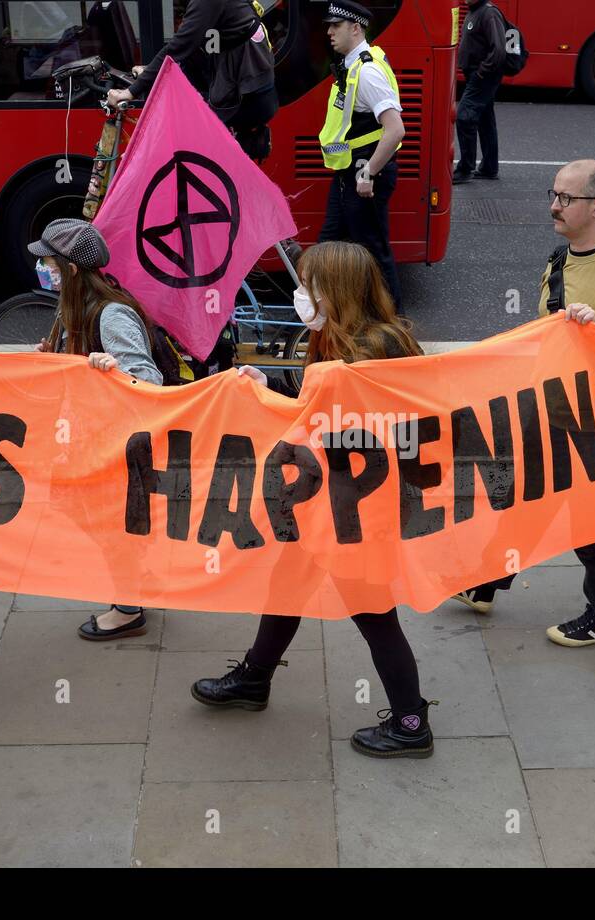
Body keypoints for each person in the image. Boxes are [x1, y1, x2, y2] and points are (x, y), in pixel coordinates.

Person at [190, 241, 438, 758]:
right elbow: (315, 417)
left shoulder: (377, 349)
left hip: (358, 511)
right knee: (288, 582)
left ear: (336, 289)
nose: (301, 295)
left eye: (308, 285)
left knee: (372, 612)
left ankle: (411, 723)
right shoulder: (337, 338)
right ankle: (255, 679)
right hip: (329, 498)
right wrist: (269, 392)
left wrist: (286, 404)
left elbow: (356, 428)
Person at [449, 160, 595, 648]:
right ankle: (488, 580)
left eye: (566, 199)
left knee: (593, 521)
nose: (553, 206)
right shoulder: (562, 257)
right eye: (554, 194)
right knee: (523, 494)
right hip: (550, 404)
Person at [27, 218, 179, 640]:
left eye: (50, 263)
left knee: (111, 525)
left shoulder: (110, 314)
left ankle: (128, 609)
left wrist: (109, 370)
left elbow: (148, 382)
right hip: (91, 438)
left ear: (71, 269)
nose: (44, 270)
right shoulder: (73, 306)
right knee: (103, 521)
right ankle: (138, 576)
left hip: (115, 446)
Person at [316, 1, 406, 312]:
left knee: (374, 256)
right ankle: (325, 317)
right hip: (346, 176)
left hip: (365, 179)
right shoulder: (350, 67)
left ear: (355, 28)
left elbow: (395, 129)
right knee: (328, 245)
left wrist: (369, 173)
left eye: (335, 26)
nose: (329, 32)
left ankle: (396, 330)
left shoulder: (367, 72)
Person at [106, 0, 277, 161]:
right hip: (244, 86)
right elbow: (197, 45)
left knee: (179, 131)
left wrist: (131, 91)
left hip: (246, 95)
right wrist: (150, 71)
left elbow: (182, 44)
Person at [452, 0, 506, 185]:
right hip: (475, 74)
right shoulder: (474, 11)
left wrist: (482, 71)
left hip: (482, 75)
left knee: (464, 116)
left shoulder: (489, 13)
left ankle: (466, 168)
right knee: (485, 119)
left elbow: (499, 49)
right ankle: (490, 168)